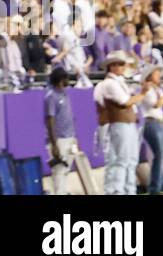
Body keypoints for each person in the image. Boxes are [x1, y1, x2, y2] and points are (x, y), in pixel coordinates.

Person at [44, 66, 96, 195]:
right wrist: (54, 144)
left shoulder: (65, 94)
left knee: (66, 168)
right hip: (59, 138)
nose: (68, 80)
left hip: (69, 136)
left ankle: (62, 191)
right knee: (59, 170)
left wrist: (74, 137)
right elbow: (50, 120)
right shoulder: (51, 96)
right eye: (66, 78)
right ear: (61, 79)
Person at [94, 51, 140, 195]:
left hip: (123, 122)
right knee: (118, 159)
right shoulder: (109, 84)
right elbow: (124, 102)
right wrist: (142, 94)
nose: (123, 67)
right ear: (112, 66)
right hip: (115, 123)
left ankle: (128, 190)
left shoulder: (119, 82)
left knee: (129, 159)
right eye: (120, 64)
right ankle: (115, 191)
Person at [138, 64, 163, 195]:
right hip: (151, 123)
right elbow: (156, 104)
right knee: (159, 154)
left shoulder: (157, 90)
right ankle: (154, 188)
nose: (159, 75)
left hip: (159, 123)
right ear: (150, 76)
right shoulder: (147, 89)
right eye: (156, 73)